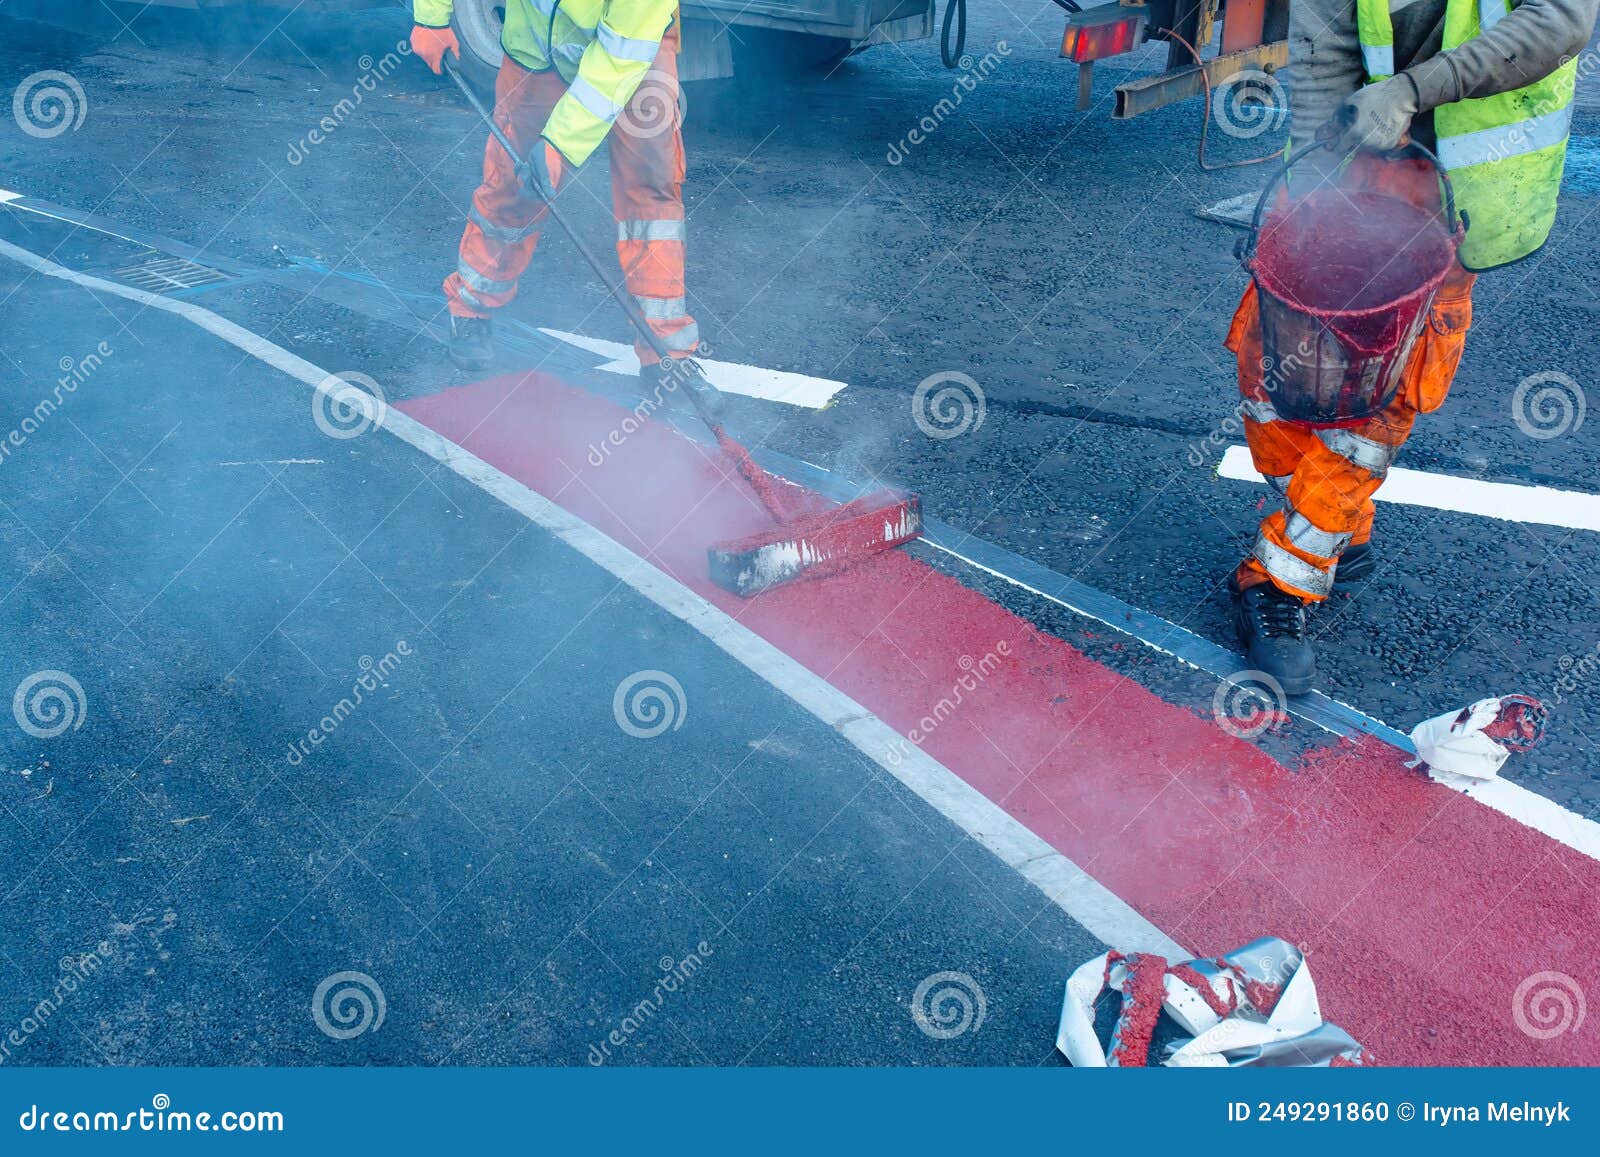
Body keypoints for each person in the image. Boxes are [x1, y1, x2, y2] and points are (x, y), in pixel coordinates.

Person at [1226, 0, 1597, 695]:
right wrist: (1308, 201)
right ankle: (1339, 522)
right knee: (1266, 356)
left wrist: (1411, 90)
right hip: (1365, 167)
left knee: (1374, 399)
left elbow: (1561, 21)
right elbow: (1324, 47)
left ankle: (1279, 580)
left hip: (1462, 190)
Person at [410, 1, 706, 396]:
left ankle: (665, 353)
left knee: (650, 196)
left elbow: (617, 63)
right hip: (535, 52)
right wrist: (431, 17)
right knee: (514, 184)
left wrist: (559, 144)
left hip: (634, 55)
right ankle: (472, 306)